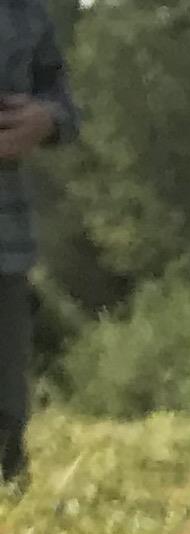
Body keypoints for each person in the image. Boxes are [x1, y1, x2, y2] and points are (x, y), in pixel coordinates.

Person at [0, 0, 79, 487]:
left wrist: (47, 118)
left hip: (6, 242)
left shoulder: (25, 9)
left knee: (6, 419)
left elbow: (62, 98)